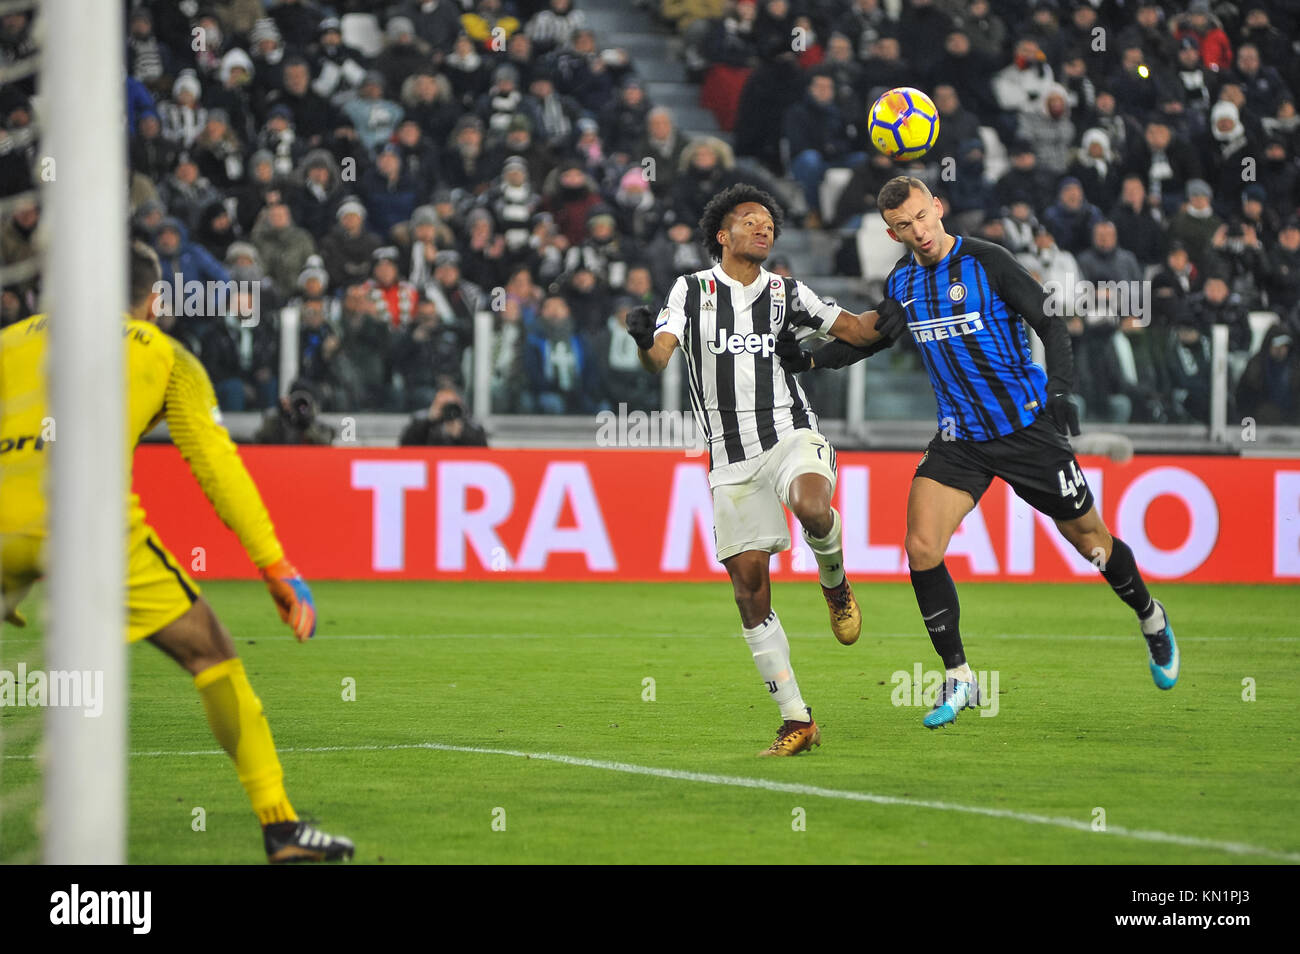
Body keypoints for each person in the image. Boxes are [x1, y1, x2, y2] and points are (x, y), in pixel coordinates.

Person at [0, 242, 352, 862]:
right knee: (211, 652)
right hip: (89, 529)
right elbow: (214, 464)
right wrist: (272, 563)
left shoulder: (11, 340)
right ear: (155, 301)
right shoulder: (166, 355)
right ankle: (282, 829)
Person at [792, 177, 1180, 728]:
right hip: (960, 440)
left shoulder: (988, 262)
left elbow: (1051, 322)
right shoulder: (902, 281)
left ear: (938, 207)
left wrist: (1062, 391)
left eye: (923, 217)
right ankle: (960, 678)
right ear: (891, 232)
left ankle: (1150, 615)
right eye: (905, 226)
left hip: (1026, 432)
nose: (919, 231)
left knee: (1092, 543)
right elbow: (867, 341)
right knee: (921, 547)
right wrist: (806, 360)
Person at [625, 183, 897, 756]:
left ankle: (835, 584)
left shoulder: (786, 292)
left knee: (812, 506)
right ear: (722, 236)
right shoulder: (691, 290)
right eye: (750, 221)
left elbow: (853, 328)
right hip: (730, 456)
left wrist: (906, 302)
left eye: (769, 221)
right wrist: (641, 337)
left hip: (790, 434)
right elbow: (659, 359)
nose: (763, 227)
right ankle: (797, 718)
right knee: (750, 591)